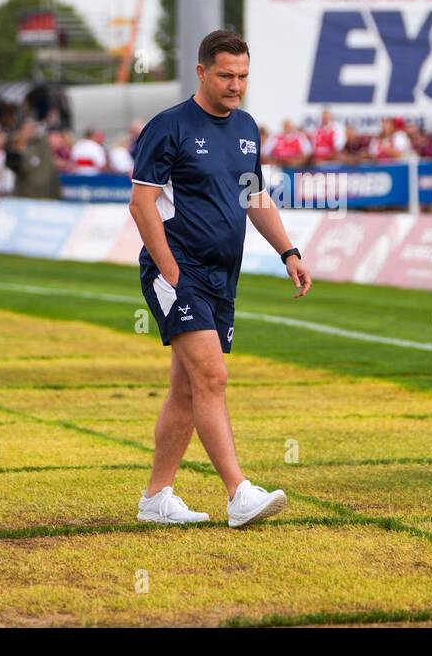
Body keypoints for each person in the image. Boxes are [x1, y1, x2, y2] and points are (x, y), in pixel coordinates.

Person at [128, 30, 312, 528]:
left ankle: (156, 497)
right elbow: (141, 204)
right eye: (227, 75)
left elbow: (254, 197)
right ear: (202, 72)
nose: (236, 85)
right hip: (177, 271)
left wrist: (288, 251)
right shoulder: (168, 128)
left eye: (243, 76)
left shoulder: (248, 128)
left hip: (221, 276)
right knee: (212, 376)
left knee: (187, 389)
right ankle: (239, 493)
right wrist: (169, 270)